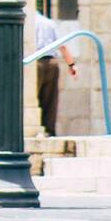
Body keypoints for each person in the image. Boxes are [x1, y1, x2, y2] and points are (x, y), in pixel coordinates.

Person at [34, 9, 77, 137]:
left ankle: (35, 128)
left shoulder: (29, 22)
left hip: (35, 62)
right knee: (50, 98)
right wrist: (71, 65)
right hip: (52, 62)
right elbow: (62, 46)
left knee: (33, 97)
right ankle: (49, 130)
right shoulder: (49, 23)